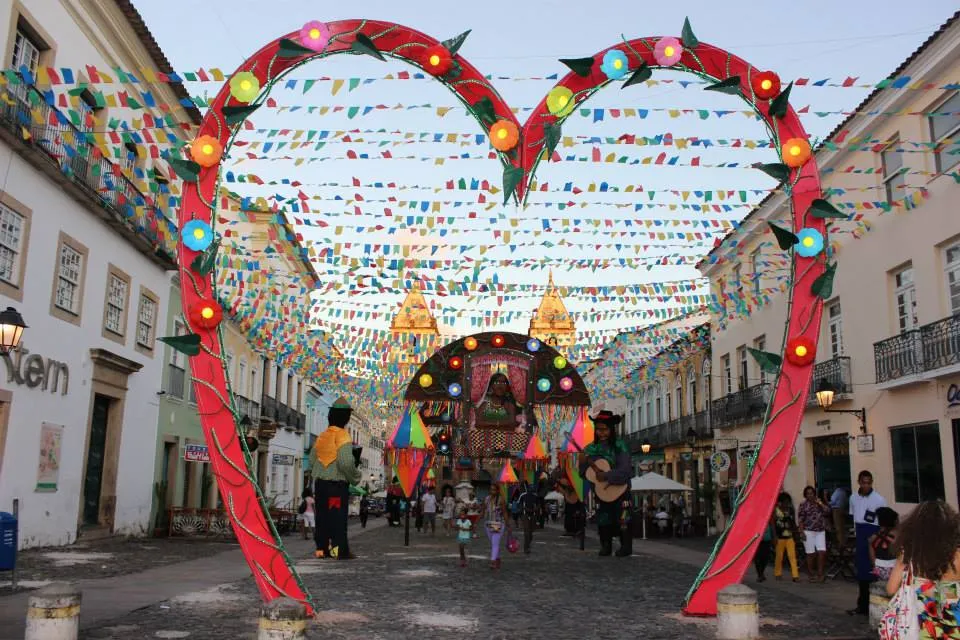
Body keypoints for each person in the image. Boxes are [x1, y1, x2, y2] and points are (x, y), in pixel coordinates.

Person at [884, 501, 960, 637]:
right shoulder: (957, 555)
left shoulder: (909, 554)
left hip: (921, 628)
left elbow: (890, 589)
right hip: (954, 626)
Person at [311, 397, 362, 560]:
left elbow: (312, 461)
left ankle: (321, 550)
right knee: (337, 518)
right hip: (336, 488)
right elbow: (346, 462)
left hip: (320, 487)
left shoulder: (321, 436)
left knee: (322, 518)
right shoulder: (343, 436)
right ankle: (338, 551)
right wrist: (355, 477)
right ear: (346, 418)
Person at [578, 410, 632, 557]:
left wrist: (607, 475)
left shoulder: (620, 446)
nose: (601, 433)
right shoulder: (590, 449)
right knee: (604, 519)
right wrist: (583, 465)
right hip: (602, 493)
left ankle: (625, 546)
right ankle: (605, 545)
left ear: (611, 429)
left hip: (621, 491)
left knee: (623, 519)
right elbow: (582, 473)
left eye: (605, 429)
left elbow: (626, 470)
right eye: (598, 429)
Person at [848, 470, 886, 616]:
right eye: (863, 482)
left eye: (869, 482)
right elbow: (854, 518)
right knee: (862, 571)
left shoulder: (879, 499)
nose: (866, 485)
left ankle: (875, 605)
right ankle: (862, 605)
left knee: (874, 570)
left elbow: (883, 522)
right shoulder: (853, 498)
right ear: (859, 482)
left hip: (873, 535)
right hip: (860, 534)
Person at [798, 485, 832, 583]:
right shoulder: (803, 505)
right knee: (811, 554)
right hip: (808, 531)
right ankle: (811, 573)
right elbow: (800, 519)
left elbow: (828, 511)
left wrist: (821, 503)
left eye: (812, 493)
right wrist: (801, 532)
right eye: (808, 493)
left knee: (822, 552)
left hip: (820, 531)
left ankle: (820, 574)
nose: (810, 495)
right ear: (805, 495)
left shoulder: (819, 503)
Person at [480, 483, 511, 569]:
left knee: (495, 543)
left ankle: (493, 561)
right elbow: (482, 511)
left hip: (498, 524)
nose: (492, 491)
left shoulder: (501, 500)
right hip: (488, 524)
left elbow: (505, 512)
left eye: (494, 489)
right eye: (490, 489)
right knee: (494, 543)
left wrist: (508, 524)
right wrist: (475, 522)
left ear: (497, 491)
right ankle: (497, 558)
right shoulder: (486, 499)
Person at [773, 492, 800, 582]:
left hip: (789, 536)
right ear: (780, 502)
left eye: (788, 502)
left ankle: (795, 575)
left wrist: (796, 532)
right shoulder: (775, 510)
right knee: (779, 556)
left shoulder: (790, 510)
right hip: (779, 536)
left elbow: (793, 522)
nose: (786, 504)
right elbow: (773, 524)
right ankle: (777, 573)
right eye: (785, 502)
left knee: (792, 556)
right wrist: (775, 536)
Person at [869, 507, 898, 581]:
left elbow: (871, 552)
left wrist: (875, 565)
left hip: (878, 569)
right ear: (894, 521)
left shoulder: (874, 537)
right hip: (893, 569)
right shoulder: (896, 535)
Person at [518, 481, 539, 554]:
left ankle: (528, 544)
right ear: (527, 488)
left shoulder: (535, 496)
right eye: (530, 487)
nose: (531, 488)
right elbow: (519, 504)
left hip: (533, 515)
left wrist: (536, 509)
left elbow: (538, 505)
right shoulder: (523, 496)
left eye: (532, 487)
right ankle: (526, 548)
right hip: (525, 515)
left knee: (530, 533)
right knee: (526, 532)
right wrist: (522, 510)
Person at [754, 517, 775, 582]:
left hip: (767, 539)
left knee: (765, 558)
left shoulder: (769, 514)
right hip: (757, 539)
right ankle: (760, 575)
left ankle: (761, 573)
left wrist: (774, 537)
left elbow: (772, 526)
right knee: (757, 558)